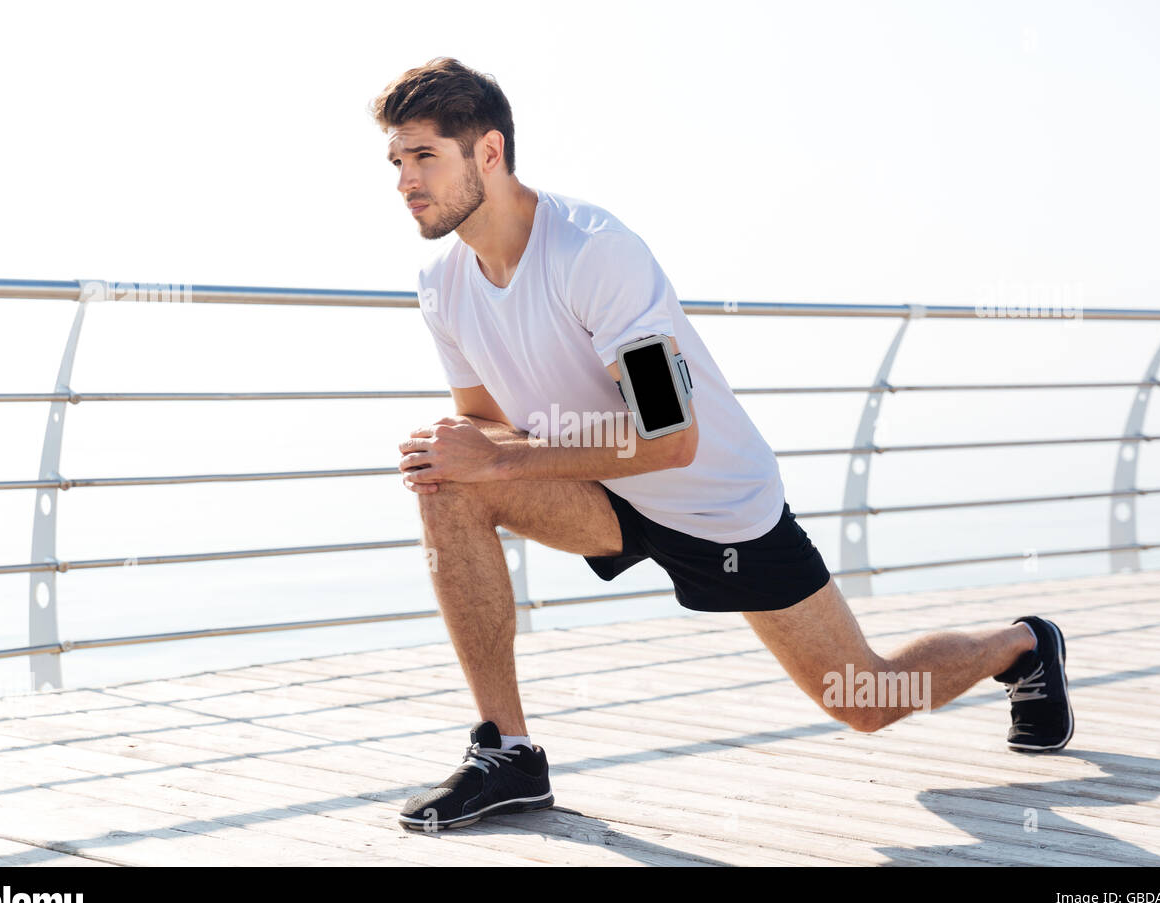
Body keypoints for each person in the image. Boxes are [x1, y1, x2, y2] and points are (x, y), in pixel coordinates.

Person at [370, 57, 1073, 833]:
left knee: (864, 699)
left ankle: (1023, 645)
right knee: (445, 477)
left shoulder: (592, 252)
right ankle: (508, 752)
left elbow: (672, 438)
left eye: (424, 156)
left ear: (490, 153)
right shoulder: (442, 282)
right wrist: (478, 456)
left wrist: (500, 458)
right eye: (397, 162)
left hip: (719, 503)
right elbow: (484, 431)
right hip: (604, 496)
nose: (406, 180)